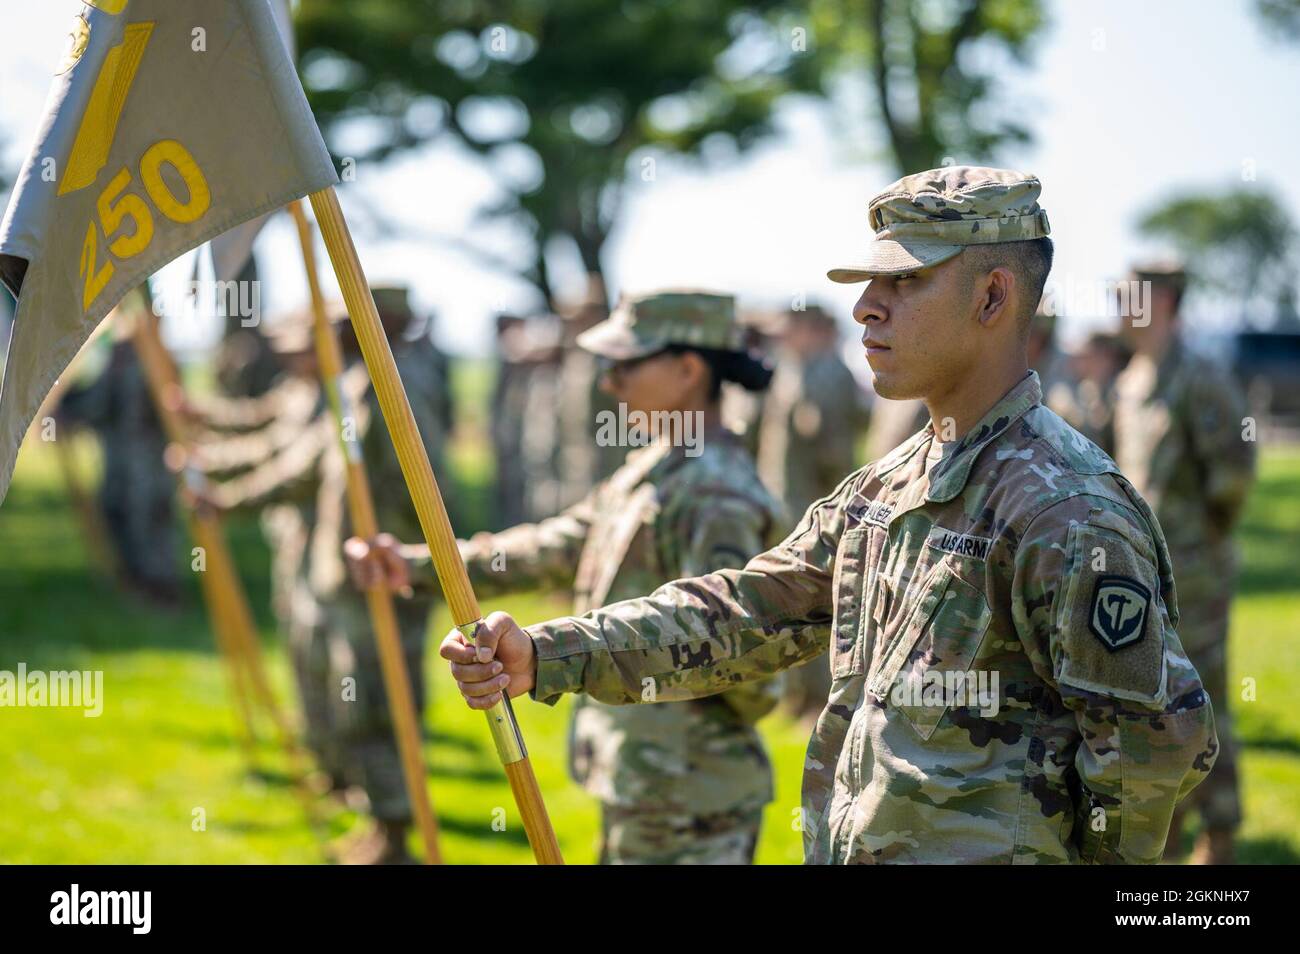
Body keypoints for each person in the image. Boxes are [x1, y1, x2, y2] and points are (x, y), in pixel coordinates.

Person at [431, 167, 1218, 864]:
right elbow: (748, 610)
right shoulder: (889, 485)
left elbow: (1153, 738)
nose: (865, 309)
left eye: (904, 282)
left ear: (991, 296)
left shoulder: (1065, 510)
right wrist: (546, 653)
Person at [347, 291, 785, 864]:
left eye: (626, 365)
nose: (609, 383)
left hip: (688, 785)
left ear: (687, 369)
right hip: (648, 771)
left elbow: (733, 644)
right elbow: (557, 546)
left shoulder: (716, 492)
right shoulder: (660, 466)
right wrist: (417, 566)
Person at [192, 288, 449, 864]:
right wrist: (227, 498)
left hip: (384, 577)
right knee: (356, 702)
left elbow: (432, 489)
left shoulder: (391, 390)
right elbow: (307, 466)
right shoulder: (355, 389)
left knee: (381, 707)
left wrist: (405, 556)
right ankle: (382, 822)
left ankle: (398, 835)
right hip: (356, 577)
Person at [1113, 261, 1256, 865]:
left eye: (1128, 294)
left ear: (1162, 301)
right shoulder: (1132, 381)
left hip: (1194, 575)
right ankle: (1167, 831)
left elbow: (1233, 475)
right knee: (1153, 706)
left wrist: (1199, 541)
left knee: (1204, 702)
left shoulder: (1200, 377)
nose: (1117, 303)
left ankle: (1218, 835)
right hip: (1145, 574)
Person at [755, 304, 870, 719]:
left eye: (792, 328)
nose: (783, 335)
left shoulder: (831, 374)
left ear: (813, 329)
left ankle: (820, 700)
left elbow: (833, 452)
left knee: (821, 607)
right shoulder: (794, 369)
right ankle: (798, 694)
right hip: (788, 504)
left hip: (816, 508)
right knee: (788, 602)